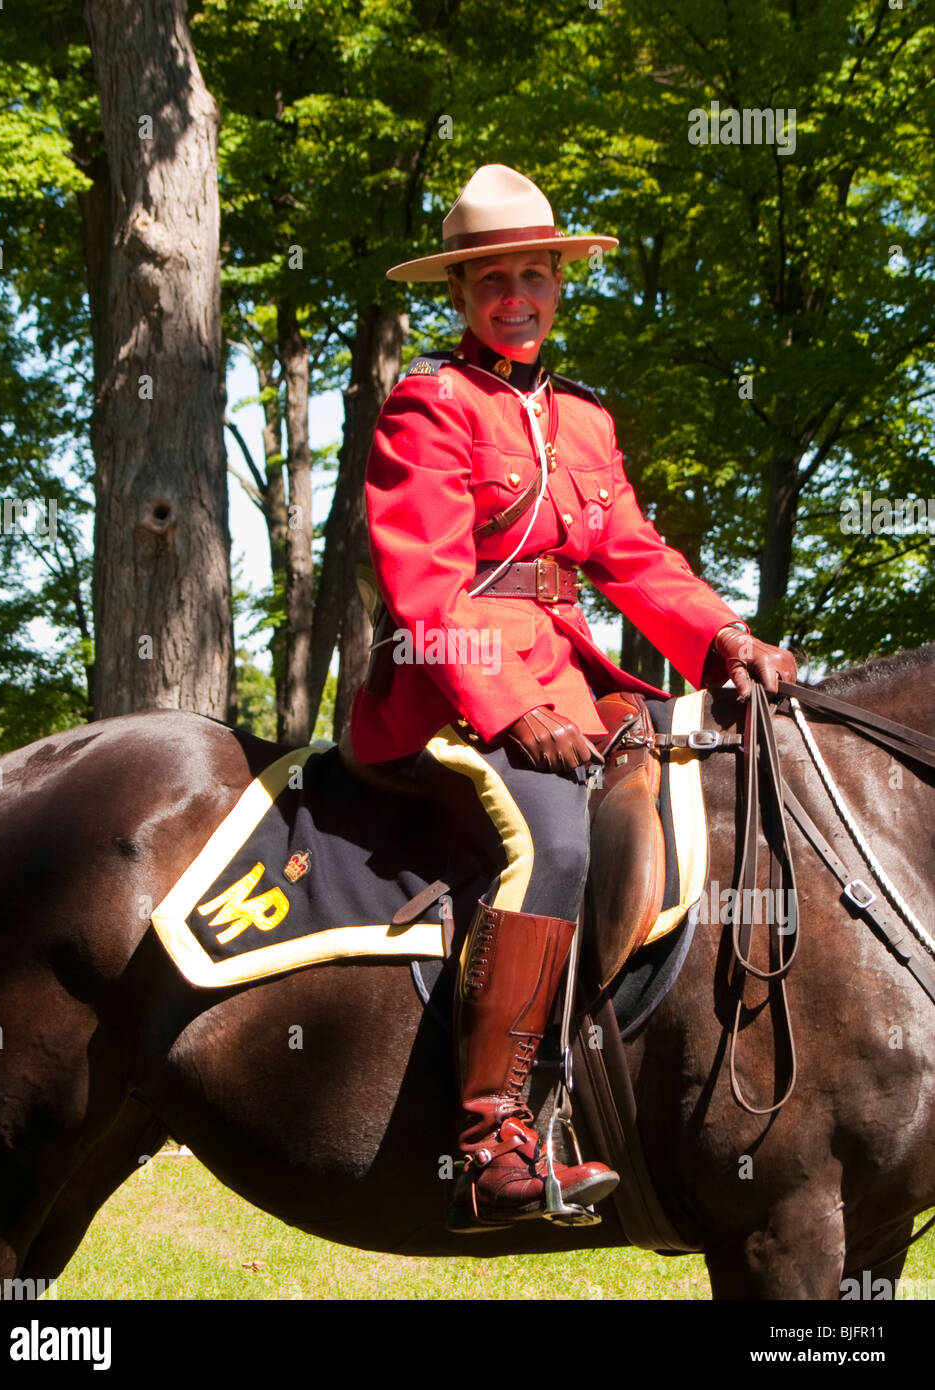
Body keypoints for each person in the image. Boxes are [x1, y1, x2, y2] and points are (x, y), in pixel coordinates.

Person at [349, 165, 796, 1232]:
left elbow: (635, 558)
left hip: (573, 674)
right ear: (462, 296)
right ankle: (493, 1136)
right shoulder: (430, 403)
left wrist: (725, 635)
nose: (517, 295)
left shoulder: (583, 421)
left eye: (535, 275)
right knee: (550, 837)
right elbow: (426, 586)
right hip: (447, 685)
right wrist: (509, 709)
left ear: (558, 285)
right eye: (493, 278)